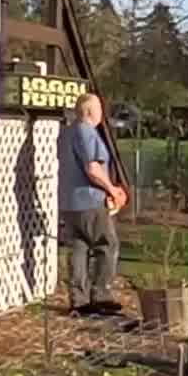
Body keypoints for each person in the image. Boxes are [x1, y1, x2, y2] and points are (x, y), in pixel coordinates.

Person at [57, 91, 128, 313]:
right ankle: (102, 296)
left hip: (68, 203)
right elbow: (92, 168)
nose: (101, 113)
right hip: (90, 201)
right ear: (89, 111)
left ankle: (79, 301)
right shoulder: (86, 131)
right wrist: (112, 189)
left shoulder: (66, 134)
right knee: (107, 245)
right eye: (99, 108)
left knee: (78, 247)